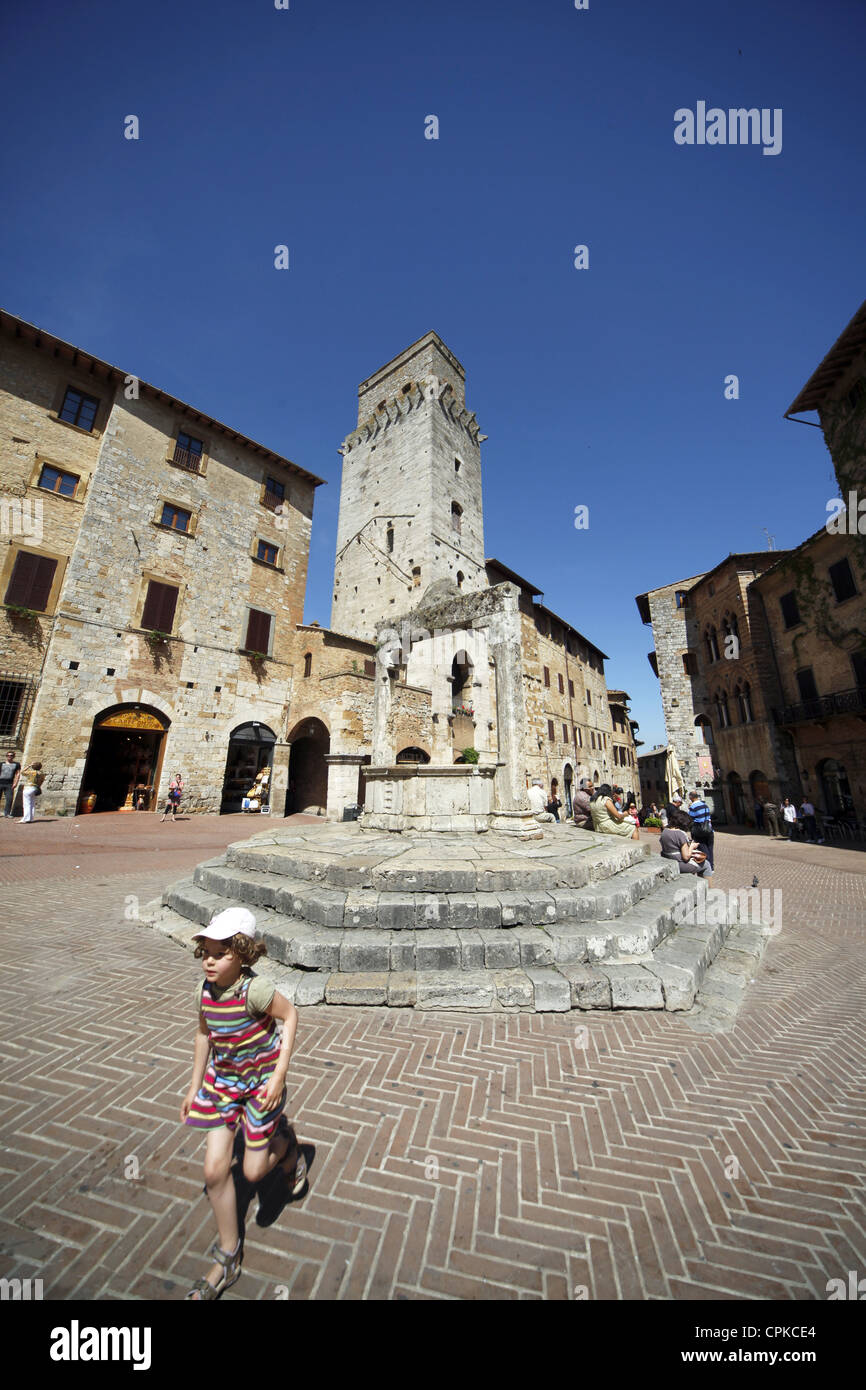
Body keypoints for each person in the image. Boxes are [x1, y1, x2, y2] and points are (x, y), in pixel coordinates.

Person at [181, 907, 306, 1300]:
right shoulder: (204, 991)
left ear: (242, 953)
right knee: (215, 1172)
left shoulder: (256, 991)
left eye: (220, 952)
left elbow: (291, 1016)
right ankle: (228, 1254)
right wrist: (193, 1086)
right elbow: (204, 1034)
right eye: (206, 952)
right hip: (223, 1085)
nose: (210, 960)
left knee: (252, 1172)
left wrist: (279, 1074)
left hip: (260, 1085)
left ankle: (286, 1149)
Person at [688, 790, 715, 870]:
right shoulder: (705, 805)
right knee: (710, 849)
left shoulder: (693, 807)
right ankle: (712, 867)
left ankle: (707, 868)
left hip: (700, 831)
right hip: (709, 830)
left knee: (703, 849)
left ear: (691, 797)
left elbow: (690, 819)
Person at [0, 750, 21, 817]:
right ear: (6, 756)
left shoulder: (16, 764)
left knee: (9, 799)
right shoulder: (1, 764)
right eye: (8, 755)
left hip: (9, 784)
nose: (9, 757)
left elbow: (18, 774)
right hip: (0, 782)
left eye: (11, 755)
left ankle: (7, 813)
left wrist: (15, 783)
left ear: (14, 756)